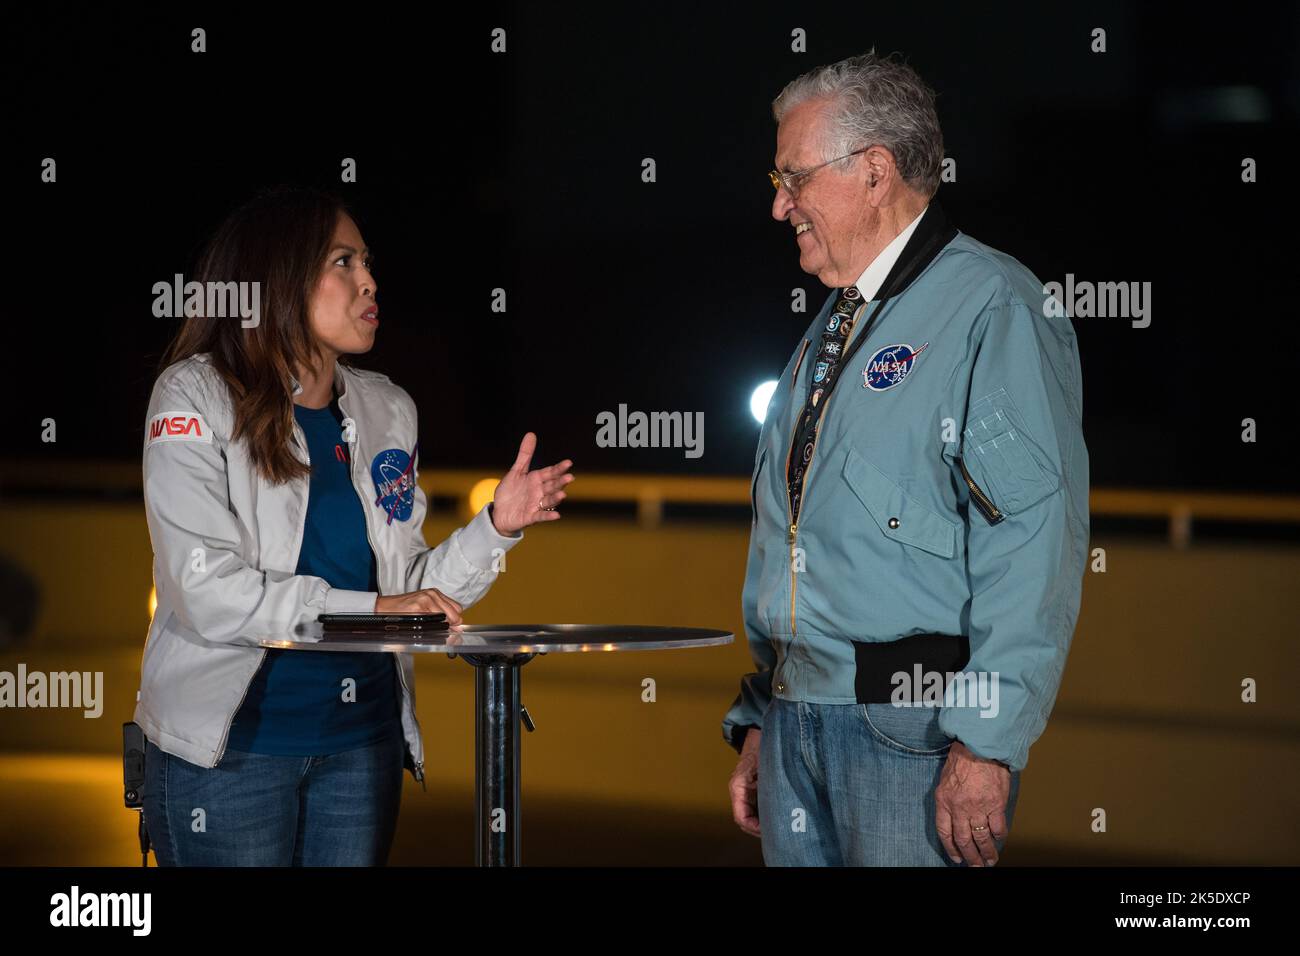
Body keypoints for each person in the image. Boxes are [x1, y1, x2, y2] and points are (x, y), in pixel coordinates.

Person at [136, 185, 574, 866]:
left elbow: (410, 591)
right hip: (231, 756)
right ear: (277, 275)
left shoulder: (388, 408)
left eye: (367, 262)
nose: (370, 281)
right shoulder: (192, 396)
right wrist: (376, 610)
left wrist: (496, 527)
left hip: (362, 745)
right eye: (343, 262)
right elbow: (209, 593)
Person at [723, 52, 1089, 866]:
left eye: (794, 178)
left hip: (912, 732)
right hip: (797, 722)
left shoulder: (993, 304)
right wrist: (762, 715)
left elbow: (1032, 542)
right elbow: (794, 541)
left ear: (875, 171)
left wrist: (987, 742)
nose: (779, 205)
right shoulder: (835, 322)